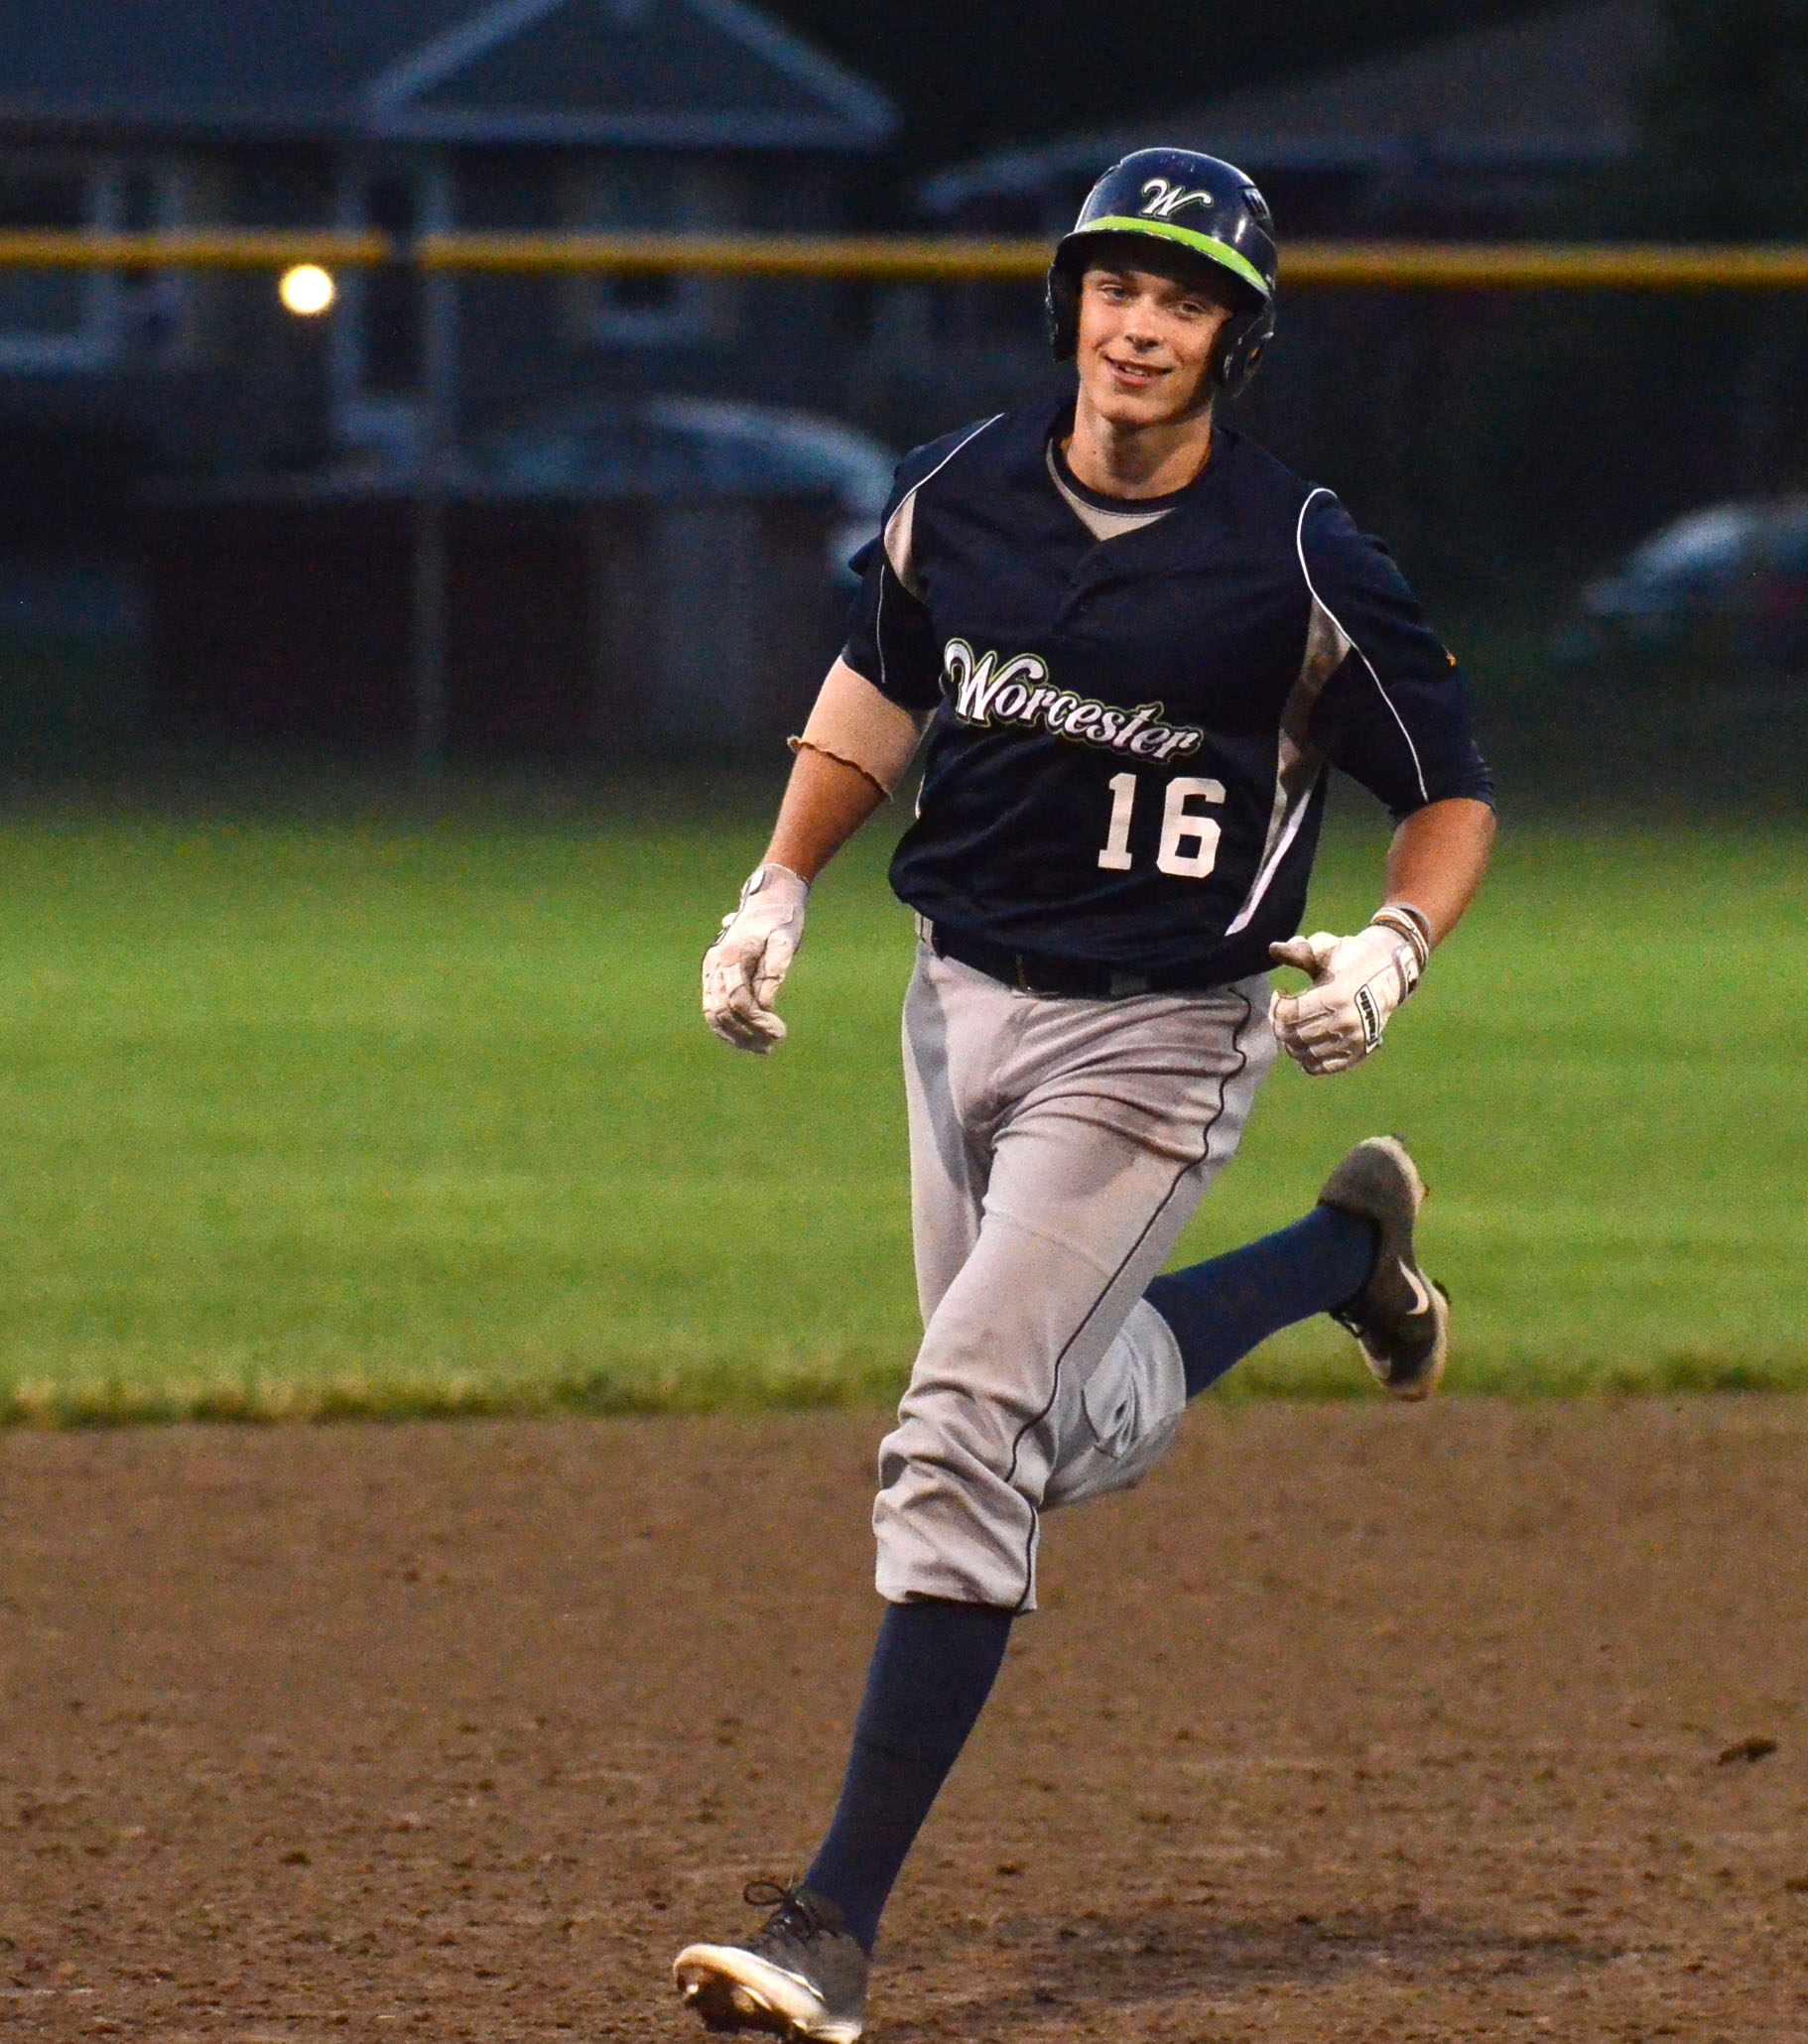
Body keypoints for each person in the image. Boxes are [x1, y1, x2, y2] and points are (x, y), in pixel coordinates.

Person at [675, 149, 1497, 2042]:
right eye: (1118, 287)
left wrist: (1393, 943)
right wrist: (778, 880)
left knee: (964, 1432)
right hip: (953, 999)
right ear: (1071, 306)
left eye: (1184, 300)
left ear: (1234, 342)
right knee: (1060, 1427)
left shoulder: (1297, 555)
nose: (1141, 326)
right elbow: (878, 683)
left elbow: (1449, 789)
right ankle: (1340, 1258)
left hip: (1157, 1038)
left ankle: (829, 1925)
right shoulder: (957, 492)